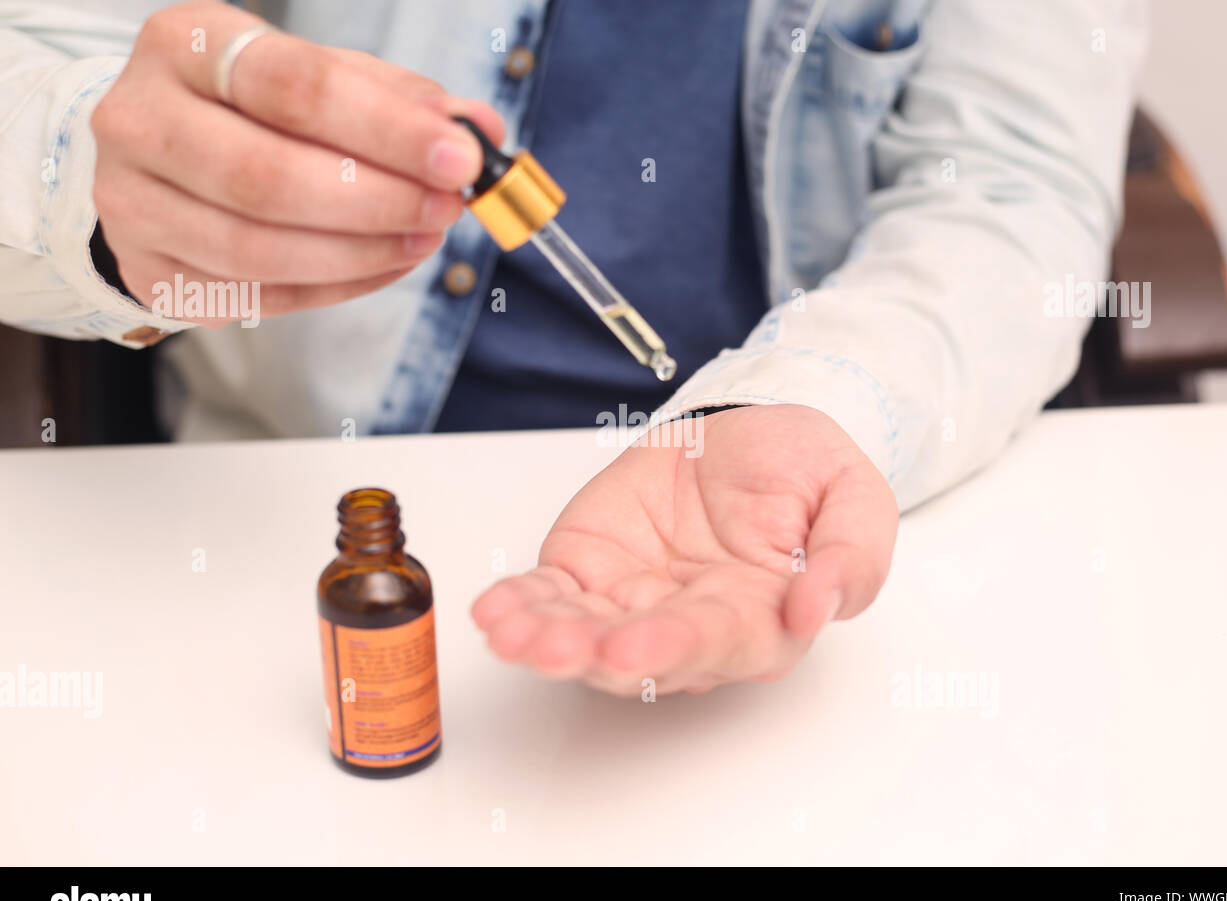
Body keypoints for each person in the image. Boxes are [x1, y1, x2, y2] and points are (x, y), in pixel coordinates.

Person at [0, 0, 1145, 695]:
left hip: (750, 509)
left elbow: (1008, 182)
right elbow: (40, 59)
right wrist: (98, 178)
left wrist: (808, 404)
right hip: (288, 483)